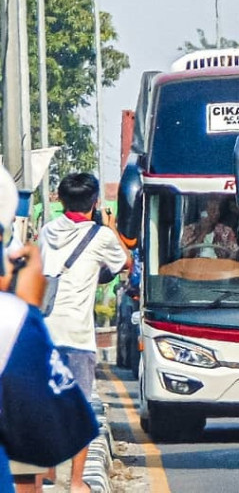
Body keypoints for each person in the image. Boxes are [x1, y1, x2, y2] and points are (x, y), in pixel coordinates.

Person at [0, 166, 99, 493]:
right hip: (74, 338)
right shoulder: (12, 323)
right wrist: (26, 306)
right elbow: (41, 441)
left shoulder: (47, 233)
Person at [39, 173, 130, 493]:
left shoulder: (46, 231)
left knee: (45, 407)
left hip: (44, 334)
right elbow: (125, 263)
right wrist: (110, 224)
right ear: (94, 204)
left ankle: (45, 475)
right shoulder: (101, 236)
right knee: (78, 410)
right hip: (77, 337)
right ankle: (77, 483)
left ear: (61, 202)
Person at [180, 194, 239, 259]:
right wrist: (203, 232)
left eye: (218, 210)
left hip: (219, 267)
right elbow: (186, 255)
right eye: (213, 210)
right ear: (203, 212)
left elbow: (234, 254)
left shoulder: (226, 231)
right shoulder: (190, 230)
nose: (217, 213)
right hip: (195, 267)